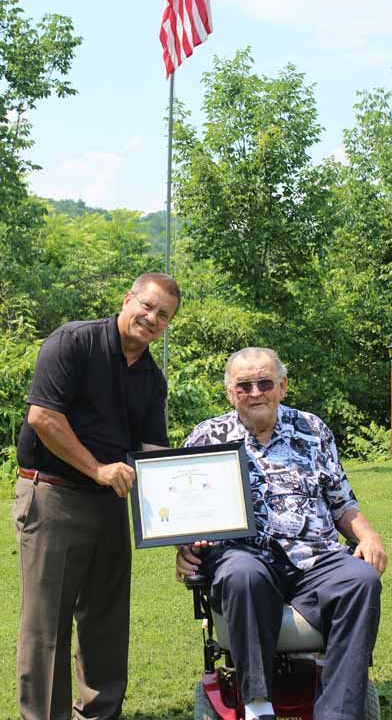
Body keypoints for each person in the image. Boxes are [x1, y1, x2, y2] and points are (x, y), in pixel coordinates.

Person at [176, 347, 387, 720]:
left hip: (315, 556)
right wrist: (184, 546)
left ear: (282, 386)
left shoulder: (313, 428)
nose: (255, 392)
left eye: (265, 382)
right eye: (244, 385)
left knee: (361, 578)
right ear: (230, 393)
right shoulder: (207, 436)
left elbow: (342, 504)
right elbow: (185, 510)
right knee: (242, 573)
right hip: (244, 556)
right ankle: (257, 704)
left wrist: (367, 535)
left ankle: (339, 712)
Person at [13, 272, 180, 720]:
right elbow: (43, 417)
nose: (152, 318)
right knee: (46, 627)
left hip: (110, 504)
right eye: (147, 306)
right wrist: (99, 469)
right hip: (53, 496)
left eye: (163, 316)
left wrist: (183, 520)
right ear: (128, 301)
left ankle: (99, 714)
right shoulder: (72, 343)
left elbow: (152, 453)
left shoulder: (151, 378)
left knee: (106, 622)